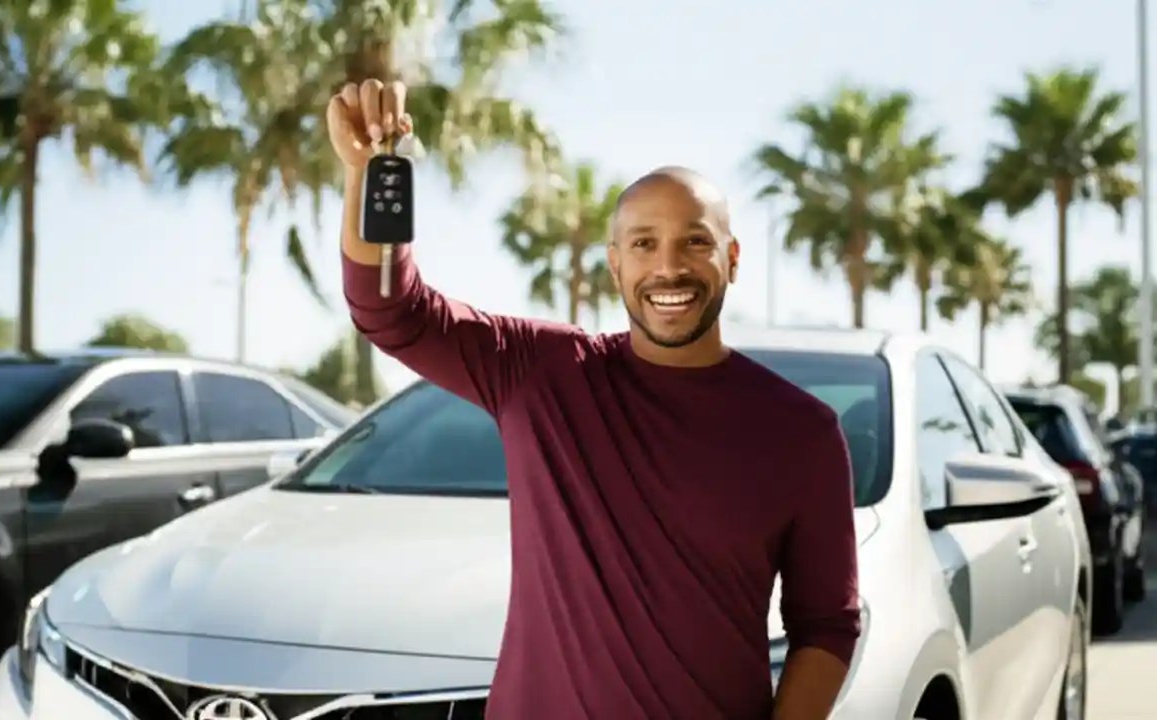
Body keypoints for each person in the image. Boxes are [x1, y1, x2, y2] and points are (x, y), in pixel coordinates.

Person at [327, 79, 860, 720]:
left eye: (695, 241)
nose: (669, 267)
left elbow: (827, 626)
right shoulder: (541, 373)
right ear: (614, 265)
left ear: (733, 258)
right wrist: (366, 175)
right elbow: (392, 311)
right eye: (643, 244)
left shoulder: (801, 432)